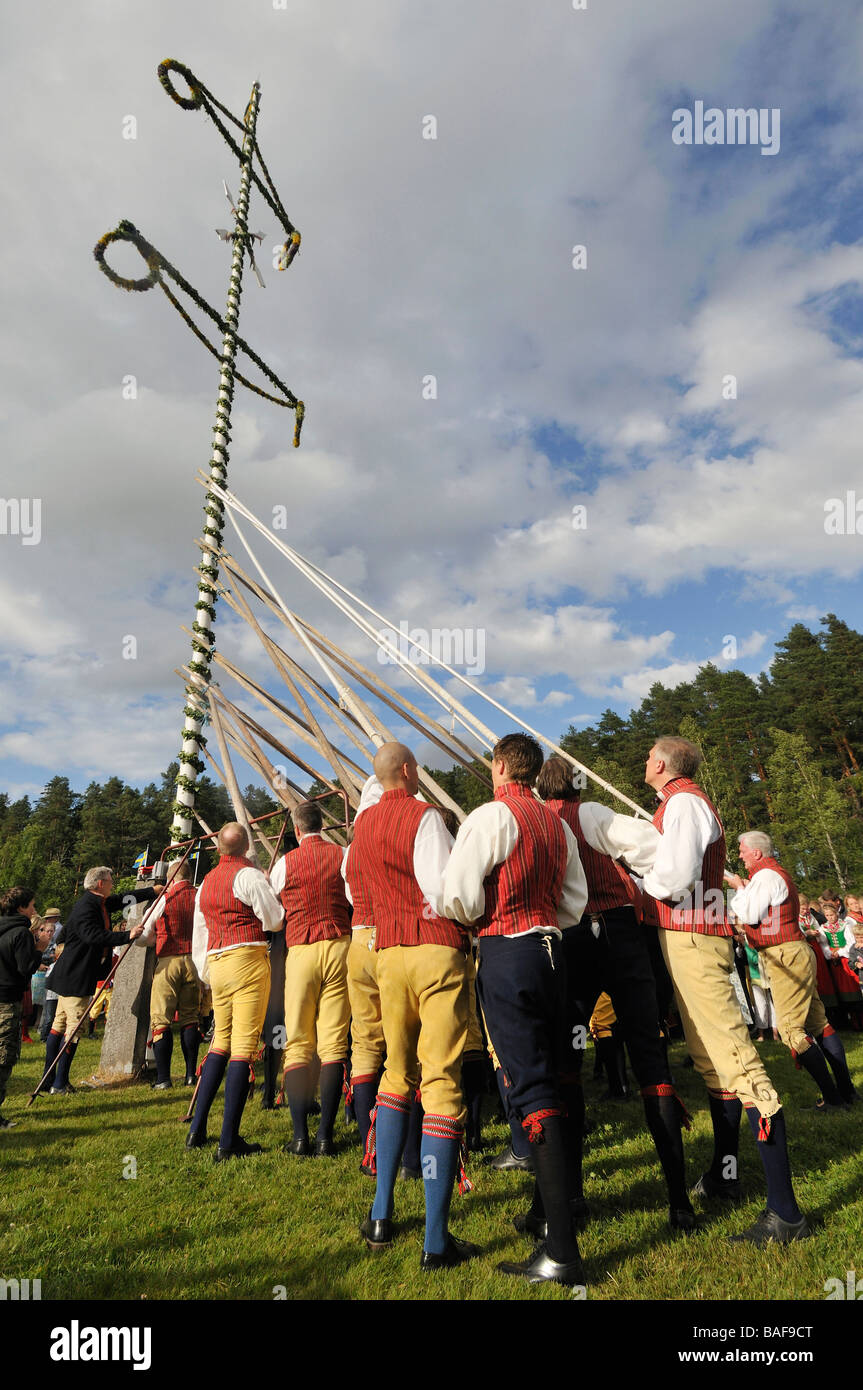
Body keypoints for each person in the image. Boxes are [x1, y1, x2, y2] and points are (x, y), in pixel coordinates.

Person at [638, 737, 809, 1246]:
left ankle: (786, 1212)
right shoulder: (678, 803)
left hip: (695, 936)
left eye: (649, 755)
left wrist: (638, 873)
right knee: (713, 1064)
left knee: (740, 1063)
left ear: (664, 763)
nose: (644, 761)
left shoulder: (685, 803)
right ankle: (726, 1174)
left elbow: (676, 877)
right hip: (689, 936)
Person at [443, 733, 589, 1288]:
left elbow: (458, 895)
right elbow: (573, 899)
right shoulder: (555, 823)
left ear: (500, 765)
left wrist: (480, 916)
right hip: (555, 952)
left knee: (529, 1089)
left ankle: (561, 1253)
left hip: (508, 951)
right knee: (554, 1078)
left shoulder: (490, 816)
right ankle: (553, 1209)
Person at [537, 754, 696, 1234]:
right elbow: (650, 847)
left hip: (572, 941)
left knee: (568, 1064)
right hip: (622, 936)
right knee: (650, 1055)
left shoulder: (539, 823)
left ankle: (572, 1194)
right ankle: (678, 1201)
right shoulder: (593, 815)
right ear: (577, 785)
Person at [351, 742, 477, 1271]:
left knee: (394, 1075)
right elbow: (443, 888)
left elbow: (352, 881)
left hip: (388, 955)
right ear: (408, 771)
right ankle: (435, 1239)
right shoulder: (425, 817)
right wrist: (472, 914)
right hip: (433, 950)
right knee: (442, 1081)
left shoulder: (361, 828)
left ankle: (381, 1215)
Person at [726, 832, 857, 1108]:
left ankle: (834, 1098)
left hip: (785, 954)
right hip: (793, 951)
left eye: (742, 851)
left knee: (789, 1029)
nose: (739, 855)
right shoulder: (772, 874)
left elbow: (749, 915)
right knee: (817, 1022)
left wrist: (739, 889)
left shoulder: (766, 876)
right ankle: (845, 1091)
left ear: (757, 853)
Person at [188, 823, 284, 1160]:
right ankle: (228, 1142)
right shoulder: (249, 876)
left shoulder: (206, 884)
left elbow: (200, 931)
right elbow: (274, 920)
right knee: (243, 1047)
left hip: (217, 960)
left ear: (218, 849)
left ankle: (196, 1130)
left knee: (220, 1042)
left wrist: (206, 970)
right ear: (245, 848)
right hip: (247, 958)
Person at [270, 801, 352, 1156]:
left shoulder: (285, 863)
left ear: (297, 831)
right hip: (339, 945)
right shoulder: (343, 854)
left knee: (298, 1041)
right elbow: (353, 897)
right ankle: (325, 1137)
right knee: (334, 1043)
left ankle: (300, 1136)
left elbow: (272, 912)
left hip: (301, 950)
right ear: (323, 825)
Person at [42, 868, 154, 1095]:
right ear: (100, 883)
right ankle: (58, 1082)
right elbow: (92, 935)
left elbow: (121, 900)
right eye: (110, 882)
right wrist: (127, 935)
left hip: (73, 973)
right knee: (72, 1029)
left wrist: (152, 890)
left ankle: (50, 1079)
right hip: (75, 975)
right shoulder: (87, 907)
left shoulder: (97, 902)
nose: (112, 885)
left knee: (59, 1026)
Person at [134, 860, 201, 1088]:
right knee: (190, 1017)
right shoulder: (200, 895)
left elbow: (142, 936)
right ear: (189, 876)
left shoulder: (164, 898)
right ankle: (191, 1074)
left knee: (161, 1018)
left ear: (171, 878)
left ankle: (163, 1078)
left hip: (168, 960)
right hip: (194, 961)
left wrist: (155, 939)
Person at [0, 888, 56, 1126]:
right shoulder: (21, 932)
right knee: (4, 1057)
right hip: (7, 1002)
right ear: (21, 907)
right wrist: (41, 948)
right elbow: (25, 967)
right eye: (32, 905)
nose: (34, 909)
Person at [816, 904, 863, 1032]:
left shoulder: (845, 925)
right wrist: (830, 954)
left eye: (832, 915)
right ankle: (845, 1022)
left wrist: (840, 952)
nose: (830, 918)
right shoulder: (823, 928)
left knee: (853, 989)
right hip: (834, 964)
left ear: (836, 913)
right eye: (827, 915)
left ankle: (858, 1021)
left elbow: (850, 943)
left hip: (846, 961)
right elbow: (824, 944)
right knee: (838, 992)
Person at [39, 910, 64, 1042]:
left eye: (51, 931)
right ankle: (43, 1035)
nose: (49, 933)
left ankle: (52, 1035)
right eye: (47, 931)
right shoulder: (44, 945)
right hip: (47, 980)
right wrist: (50, 957)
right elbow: (41, 957)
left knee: (54, 1013)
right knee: (47, 1012)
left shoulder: (56, 945)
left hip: (57, 983)